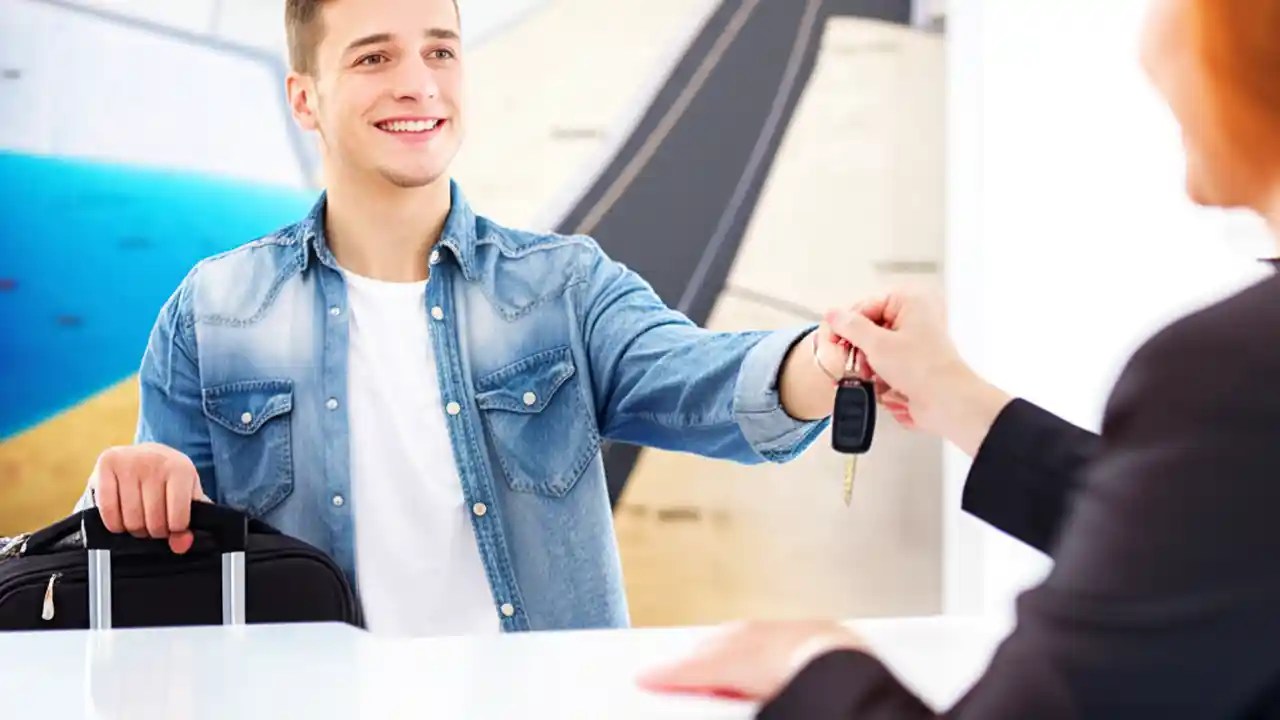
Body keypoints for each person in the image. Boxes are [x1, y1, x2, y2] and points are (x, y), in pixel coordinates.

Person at [80, 0, 859, 637]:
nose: (419, 84)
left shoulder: (566, 286)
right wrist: (129, 494)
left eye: (441, 52)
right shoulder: (213, 312)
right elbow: (165, 566)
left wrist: (826, 359)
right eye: (374, 57)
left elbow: (711, 383)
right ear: (304, 97)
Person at [639, 0, 1280, 715]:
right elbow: (1204, 532)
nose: (1153, 39)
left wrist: (814, 661)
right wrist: (959, 400)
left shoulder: (1229, 378)